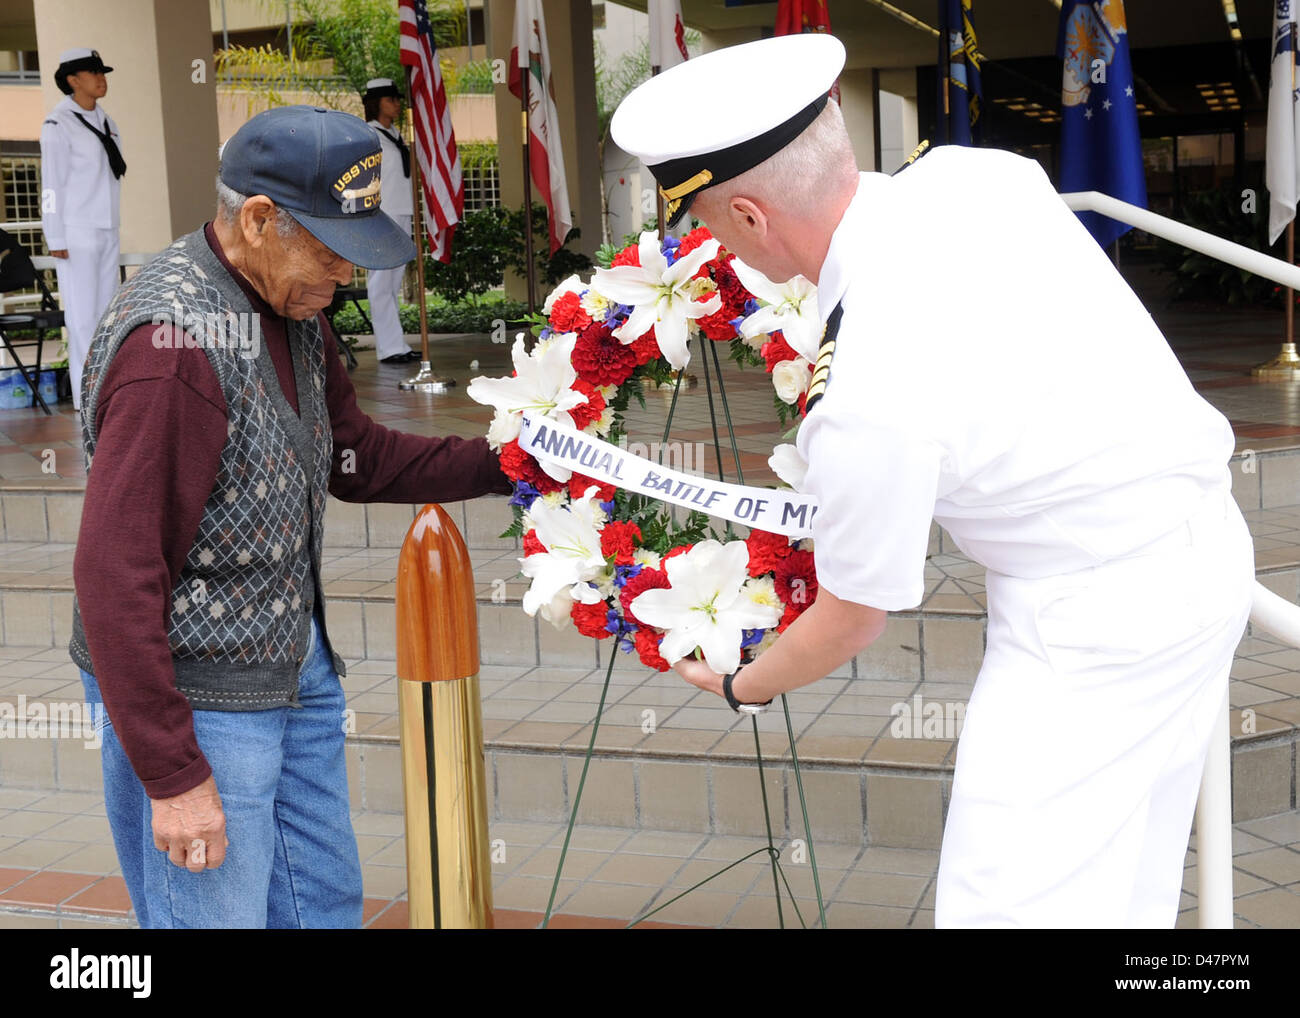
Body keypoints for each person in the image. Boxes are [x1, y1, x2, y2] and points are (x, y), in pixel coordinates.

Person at [611, 34, 1256, 928]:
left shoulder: (867, 386)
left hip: (1093, 623)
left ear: (752, 217)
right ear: (831, 123)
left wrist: (740, 685)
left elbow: (853, 616)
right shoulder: (974, 176)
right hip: (1202, 551)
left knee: (1007, 906)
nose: (710, 242)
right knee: (1124, 890)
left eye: (707, 220)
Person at [69, 106, 511, 929]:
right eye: (332, 250)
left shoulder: (290, 301)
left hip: (290, 660)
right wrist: (172, 775)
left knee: (322, 904)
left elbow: (355, 455)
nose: (345, 275)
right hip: (194, 691)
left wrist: (511, 463)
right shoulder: (171, 354)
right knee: (217, 917)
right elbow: (112, 570)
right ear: (259, 219)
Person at [39, 47, 125, 410]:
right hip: (76, 233)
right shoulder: (59, 124)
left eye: (102, 72)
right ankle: (86, 396)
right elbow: (51, 187)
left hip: (106, 229)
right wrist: (54, 235)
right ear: (73, 80)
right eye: (93, 73)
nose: (101, 78)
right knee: (82, 317)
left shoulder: (106, 122)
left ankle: (108, 392)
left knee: (108, 313)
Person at [362, 78, 419, 364]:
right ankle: (389, 348)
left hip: (402, 211)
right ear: (376, 103)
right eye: (391, 99)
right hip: (383, 214)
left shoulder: (393, 134)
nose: (397, 104)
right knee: (381, 281)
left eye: (397, 99)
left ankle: (397, 344)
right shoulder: (369, 136)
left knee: (392, 281)